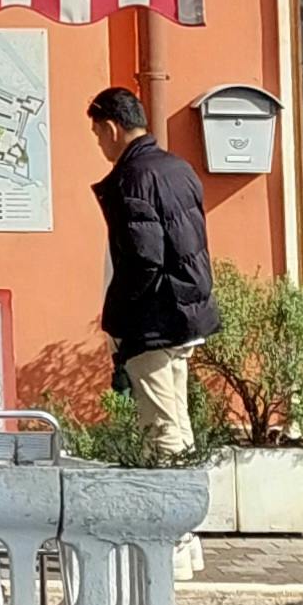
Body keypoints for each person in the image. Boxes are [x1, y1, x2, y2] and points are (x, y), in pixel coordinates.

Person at [86, 86, 217, 454]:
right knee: (178, 419)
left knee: (160, 430)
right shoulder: (179, 168)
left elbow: (144, 259)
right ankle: (190, 486)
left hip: (151, 319)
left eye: (97, 134)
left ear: (111, 128)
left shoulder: (131, 179)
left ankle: (170, 490)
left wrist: (120, 314)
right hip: (186, 311)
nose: (99, 144)